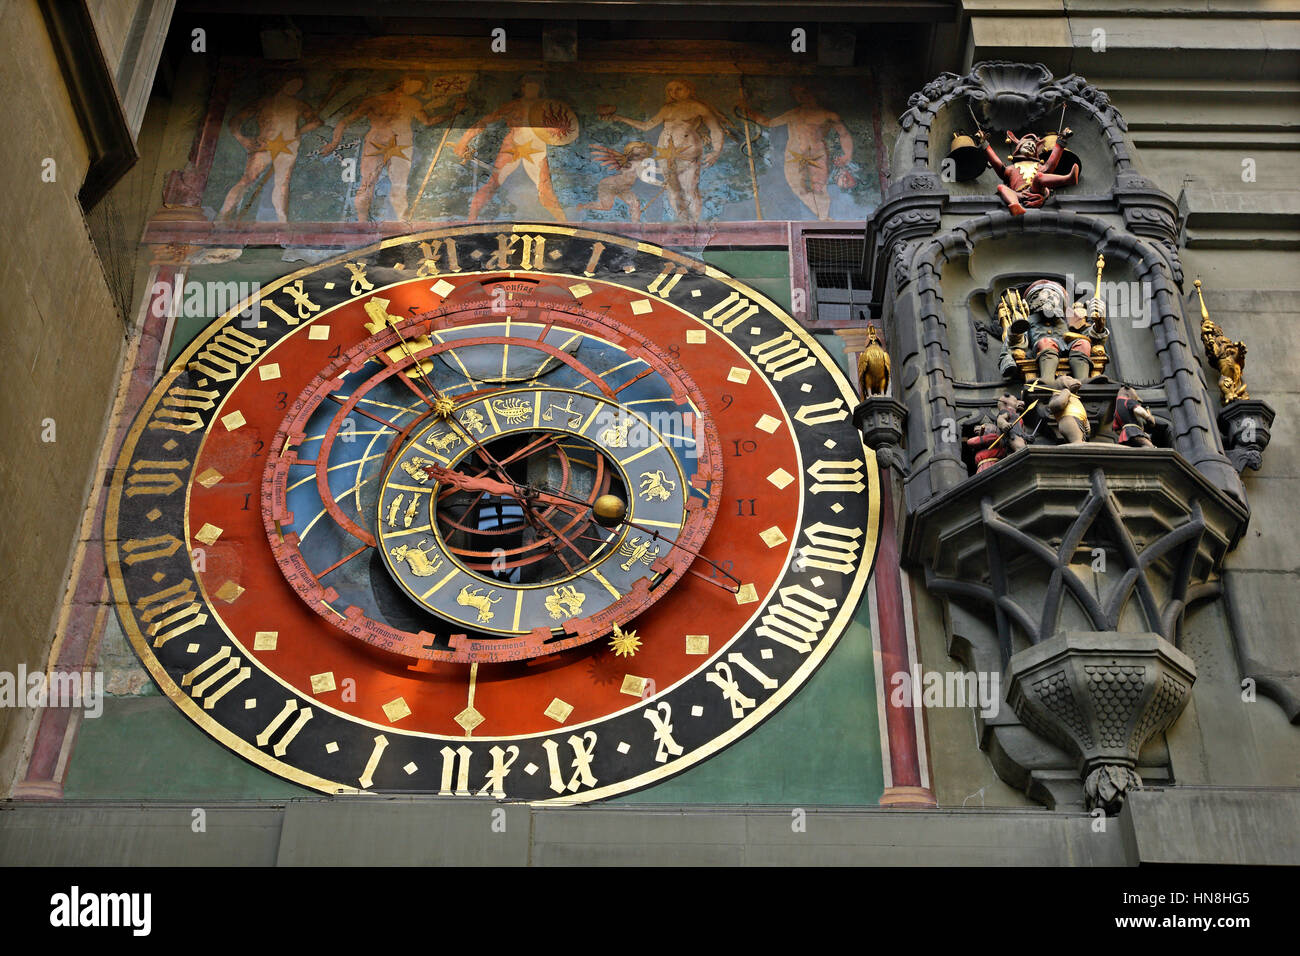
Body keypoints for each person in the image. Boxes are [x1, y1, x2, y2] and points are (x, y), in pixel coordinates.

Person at [319, 76, 465, 222]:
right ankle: (362, 223)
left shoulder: (413, 102)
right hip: (377, 142)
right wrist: (334, 143)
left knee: (399, 185)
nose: (417, 88)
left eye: (420, 86)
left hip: (401, 144)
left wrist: (453, 113)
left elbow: (427, 121)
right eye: (416, 83)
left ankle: (402, 223)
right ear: (402, 82)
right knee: (367, 183)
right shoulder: (374, 101)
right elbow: (345, 121)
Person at [600, 80, 725, 222]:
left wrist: (716, 151)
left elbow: (715, 129)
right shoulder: (667, 108)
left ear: (689, 89)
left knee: (689, 188)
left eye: (679, 88)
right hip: (665, 151)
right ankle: (683, 222)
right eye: (670, 90)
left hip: (688, 152)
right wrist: (619, 117)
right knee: (672, 189)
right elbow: (647, 126)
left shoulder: (698, 107)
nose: (674, 93)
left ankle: (694, 224)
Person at [737, 83, 853, 220]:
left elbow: (843, 134)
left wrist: (847, 154)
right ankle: (820, 215)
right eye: (797, 96)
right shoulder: (794, 114)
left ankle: (824, 217)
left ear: (812, 94)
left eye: (803, 93)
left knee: (819, 187)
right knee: (797, 186)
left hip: (817, 154)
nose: (801, 98)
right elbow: (769, 123)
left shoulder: (828, 115)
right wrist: (748, 112)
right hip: (794, 155)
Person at [219, 76, 321, 221]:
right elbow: (235, 120)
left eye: (299, 86)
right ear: (283, 83)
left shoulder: (299, 104)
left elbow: (316, 122)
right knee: (247, 179)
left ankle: (282, 222)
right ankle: (224, 215)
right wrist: (242, 139)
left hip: (288, 147)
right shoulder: (265, 102)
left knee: (283, 183)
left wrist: (298, 132)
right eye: (293, 83)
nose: (295, 88)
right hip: (264, 146)